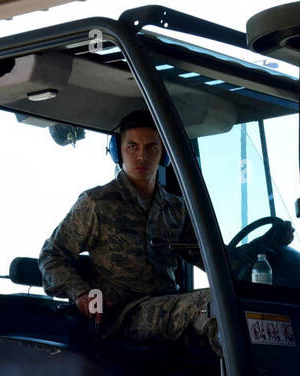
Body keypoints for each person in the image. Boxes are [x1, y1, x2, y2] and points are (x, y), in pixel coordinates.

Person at [39, 110, 222, 356]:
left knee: (234, 306)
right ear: (118, 152)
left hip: (167, 309)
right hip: (122, 316)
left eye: (151, 147)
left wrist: (256, 254)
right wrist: (82, 294)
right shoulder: (96, 202)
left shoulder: (176, 209)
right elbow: (52, 255)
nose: (141, 156)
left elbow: (209, 259)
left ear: (164, 153)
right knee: (212, 306)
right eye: (132, 146)